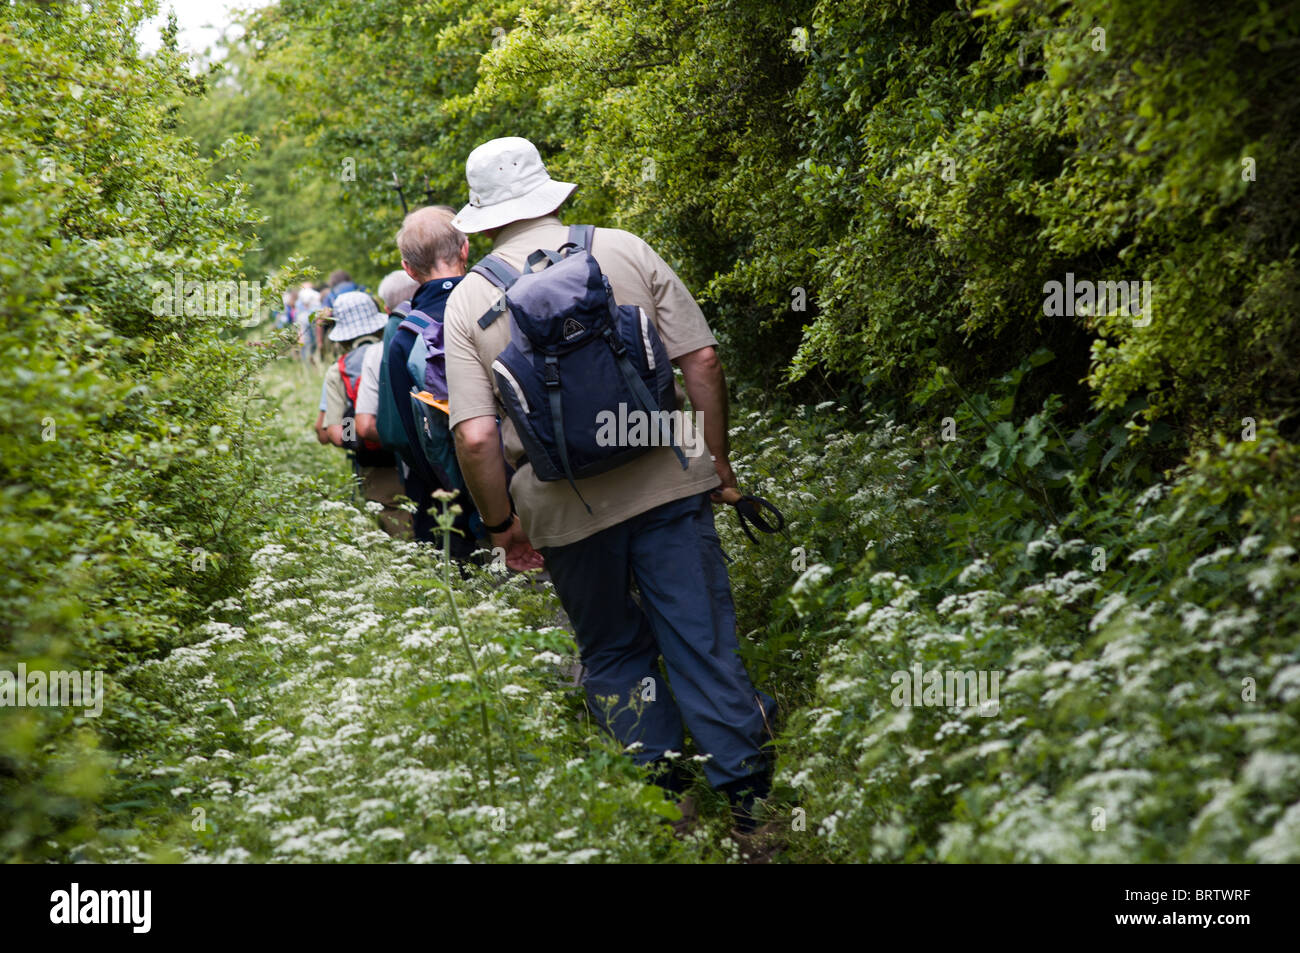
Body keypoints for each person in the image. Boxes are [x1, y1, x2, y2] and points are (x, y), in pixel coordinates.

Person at [442, 136, 777, 847]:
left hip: (564, 513)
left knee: (615, 653)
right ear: (552, 193)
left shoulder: (469, 300)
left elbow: (474, 438)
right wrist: (719, 466)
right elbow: (704, 361)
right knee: (702, 642)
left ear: (481, 218)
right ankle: (753, 817)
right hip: (670, 484)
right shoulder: (625, 248)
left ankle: (671, 813)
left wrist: (504, 525)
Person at [388, 207, 481, 557]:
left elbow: (415, 442)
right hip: (535, 491)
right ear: (465, 249)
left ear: (408, 269)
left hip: (456, 508)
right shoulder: (504, 304)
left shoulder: (404, 338)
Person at [321, 290, 412, 538]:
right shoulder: (402, 347)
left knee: (402, 537)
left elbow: (337, 434)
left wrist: (356, 434)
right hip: (419, 457)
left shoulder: (338, 370)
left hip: (377, 467)